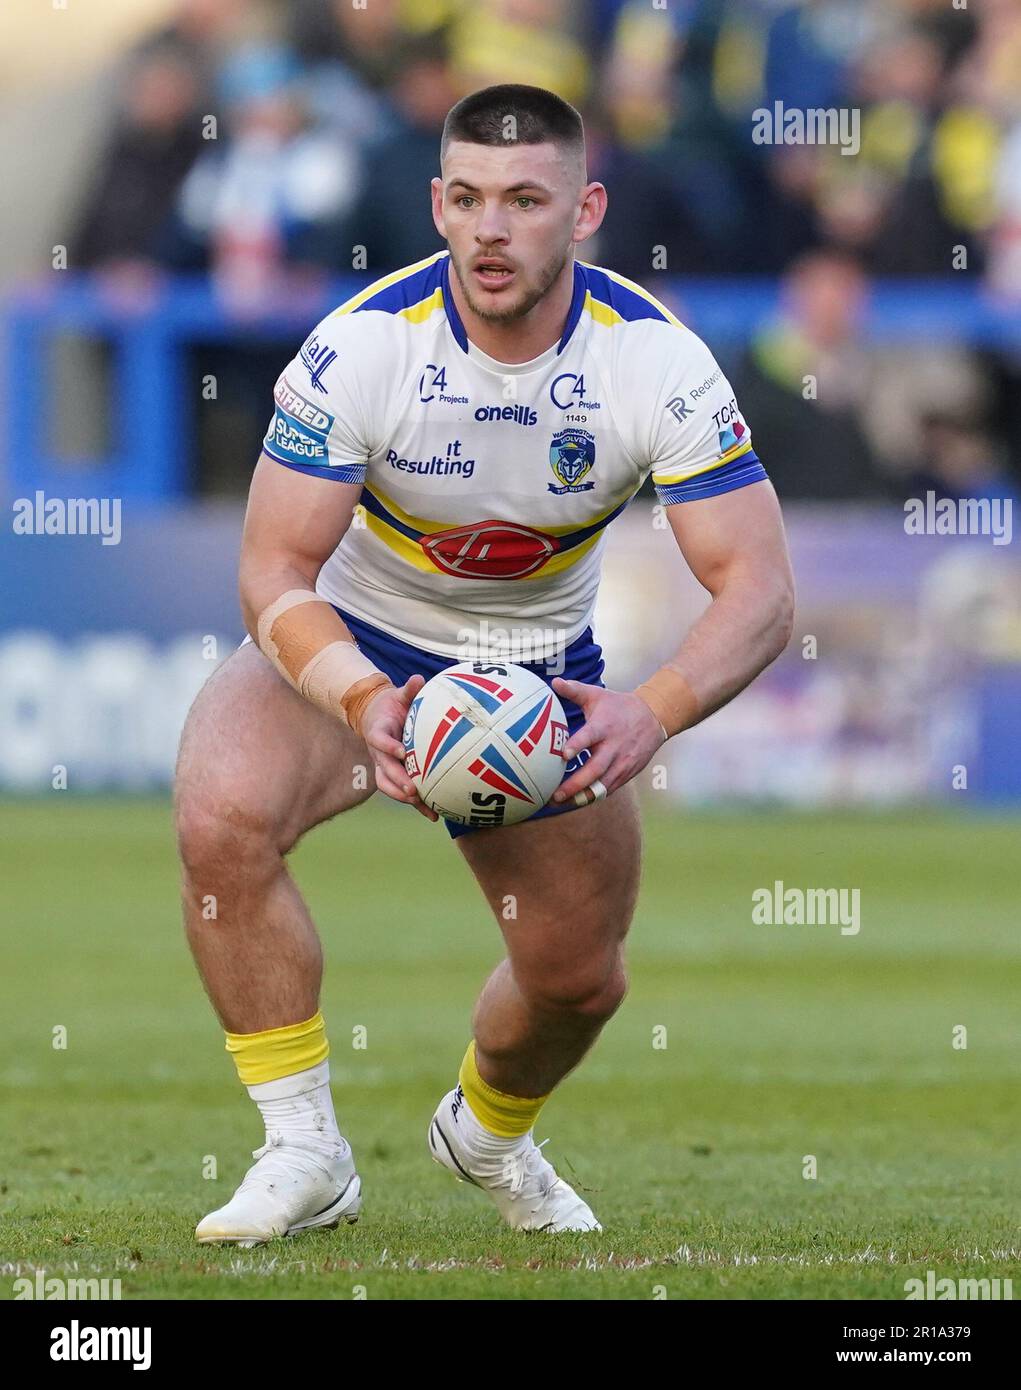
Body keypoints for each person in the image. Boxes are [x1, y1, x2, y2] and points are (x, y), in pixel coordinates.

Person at [174, 83, 795, 1243]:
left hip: (537, 670)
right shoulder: (362, 345)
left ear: (586, 208)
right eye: (465, 198)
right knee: (220, 813)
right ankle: (302, 1149)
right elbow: (271, 573)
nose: (489, 228)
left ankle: (491, 1135)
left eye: (523, 199)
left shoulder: (652, 363)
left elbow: (759, 589)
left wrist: (649, 711)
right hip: (360, 640)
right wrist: (358, 693)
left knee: (579, 982)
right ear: (436, 204)